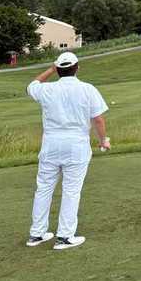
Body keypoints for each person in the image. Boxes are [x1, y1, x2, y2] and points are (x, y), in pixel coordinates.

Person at [25, 51, 109, 250]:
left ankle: (36, 234)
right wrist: (103, 140)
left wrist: (50, 70)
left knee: (44, 188)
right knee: (71, 190)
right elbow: (97, 119)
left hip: (51, 145)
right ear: (77, 68)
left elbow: (31, 86)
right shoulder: (87, 89)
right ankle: (64, 237)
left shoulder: (47, 89)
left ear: (58, 70)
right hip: (76, 145)